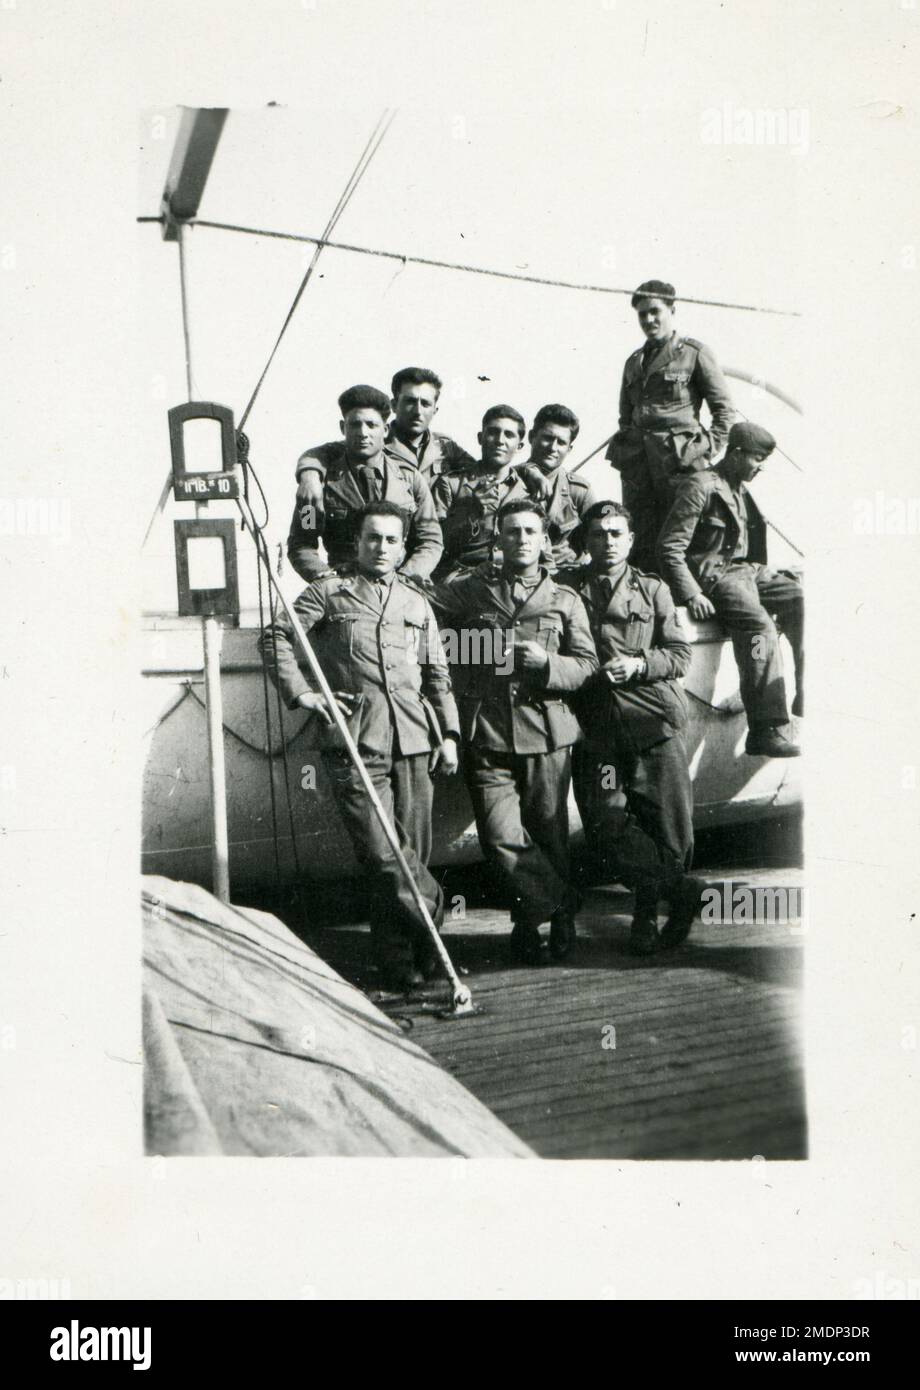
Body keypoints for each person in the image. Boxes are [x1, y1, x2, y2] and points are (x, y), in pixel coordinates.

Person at [261, 501, 460, 992]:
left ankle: (403, 962)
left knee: (412, 852)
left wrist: (450, 735)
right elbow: (275, 637)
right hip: (355, 738)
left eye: (393, 540)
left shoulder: (416, 603)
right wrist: (303, 693)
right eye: (374, 538)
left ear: (404, 547)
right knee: (382, 853)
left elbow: (437, 674)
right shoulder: (328, 594)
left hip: (415, 738)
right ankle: (436, 918)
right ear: (358, 542)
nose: (382, 547)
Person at [430, 499, 598, 965]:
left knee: (549, 834)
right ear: (498, 539)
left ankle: (537, 925)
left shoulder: (565, 599)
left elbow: (587, 666)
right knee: (500, 839)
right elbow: (429, 621)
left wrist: (549, 665)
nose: (521, 539)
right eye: (511, 532)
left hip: (546, 732)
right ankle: (562, 902)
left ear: (544, 540)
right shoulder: (469, 590)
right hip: (487, 732)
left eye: (529, 532)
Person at [559, 501, 704, 955]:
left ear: (631, 539)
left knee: (669, 829)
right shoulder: (566, 589)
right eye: (598, 533)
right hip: (596, 728)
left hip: (652, 724)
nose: (607, 541)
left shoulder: (654, 590)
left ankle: (646, 918)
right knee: (604, 824)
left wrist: (640, 664)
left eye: (616, 533)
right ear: (586, 540)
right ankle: (681, 892)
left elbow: (681, 655)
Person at [657, 421, 803, 758]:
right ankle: (766, 728)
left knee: (802, 601)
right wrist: (692, 594)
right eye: (756, 459)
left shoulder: (739, 487)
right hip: (717, 576)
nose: (760, 467)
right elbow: (669, 548)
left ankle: (806, 692)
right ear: (736, 453)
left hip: (750, 572)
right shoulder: (701, 487)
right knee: (757, 627)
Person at [606, 279, 735, 570]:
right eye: (642, 315)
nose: (649, 320)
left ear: (672, 309)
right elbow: (625, 417)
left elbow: (724, 411)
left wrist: (704, 451)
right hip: (640, 467)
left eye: (655, 311)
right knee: (641, 539)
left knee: (683, 538)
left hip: (680, 464)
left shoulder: (693, 353)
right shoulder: (633, 362)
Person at [285, 384, 443, 583]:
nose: (362, 432)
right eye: (355, 424)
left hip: (402, 583)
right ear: (343, 428)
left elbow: (430, 540)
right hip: (345, 585)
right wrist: (324, 577)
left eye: (371, 425)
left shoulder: (410, 480)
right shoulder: (319, 488)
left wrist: (407, 578)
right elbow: (302, 543)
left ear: (385, 430)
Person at [293, 366, 477, 499]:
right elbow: (318, 454)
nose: (417, 411)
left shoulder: (445, 447)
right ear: (394, 404)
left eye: (426, 404)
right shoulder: (371, 440)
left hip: (431, 541)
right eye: (410, 401)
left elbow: (481, 470)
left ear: (435, 410)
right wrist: (309, 476)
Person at [432, 404, 538, 578]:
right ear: (481, 438)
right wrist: (470, 513)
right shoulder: (451, 484)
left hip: (513, 579)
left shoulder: (529, 490)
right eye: (493, 432)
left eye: (509, 435)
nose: (500, 440)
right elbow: (435, 544)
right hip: (462, 578)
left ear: (519, 446)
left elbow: (541, 545)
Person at [516, 403, 600, 569]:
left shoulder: (579, 490)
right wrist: (527, 471)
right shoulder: (511, 480)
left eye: (561, 442)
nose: (553, 448)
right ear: (532, 437)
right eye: (547, 438)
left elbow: (597, 538)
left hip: (565, 578)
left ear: (569, 449)